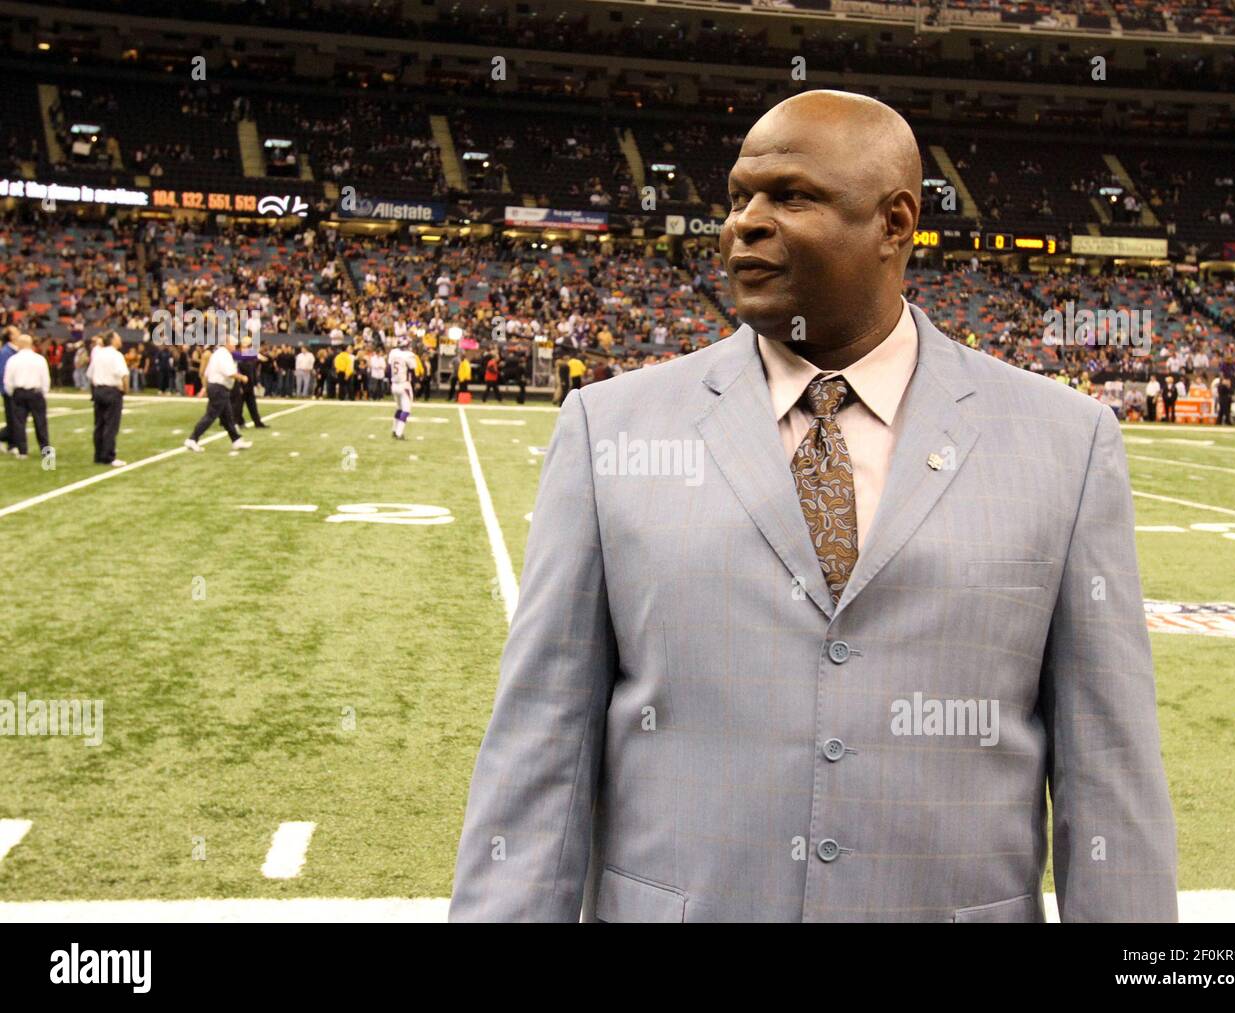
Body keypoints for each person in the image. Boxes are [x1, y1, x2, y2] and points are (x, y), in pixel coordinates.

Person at [449, 90, 1176, 923]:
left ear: (895, 224)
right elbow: (540, 752)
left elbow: (1109, 776)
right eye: (737, 199)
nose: (744, 225)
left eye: (790, 197)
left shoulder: (1064, 442)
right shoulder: (607, 428)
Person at [184, 335, 252, 452]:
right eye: (233, 343)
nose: (235, 346)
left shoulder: (218, 354)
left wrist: (205, 388)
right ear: (226, 343)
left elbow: (207, 373)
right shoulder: (223, 355)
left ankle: (236, 440)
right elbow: (229, 372)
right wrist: (242, 377)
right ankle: (192, 439)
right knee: (211, 415)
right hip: (219, 388)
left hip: (216, 387)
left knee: (228, 417)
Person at [2, 334, 51, 460]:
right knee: (41, 424)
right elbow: (45, 379)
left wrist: (13, 393)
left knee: (19, 424)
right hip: (36, 393)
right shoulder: (39, 359)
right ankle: (45, 451)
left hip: (19, 393)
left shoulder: (13, 360)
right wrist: (43, 393)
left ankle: (23, 451)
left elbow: (8, 380)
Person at [87, 332, 129, 467]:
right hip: (112, 391)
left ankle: (98, 455)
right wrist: (125, 390)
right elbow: (124, 375)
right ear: (112, 340)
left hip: (98, 390)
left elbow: (90, 375)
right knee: (111, 425)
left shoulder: (98, 355)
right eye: (118, 337)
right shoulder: (116, 355)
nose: (120, 339)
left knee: (99, 424)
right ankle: (108, 456)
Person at [231, 335, 268, 428]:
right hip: (241, 385)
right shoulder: (238, 357)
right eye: (248, 346)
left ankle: (258, 422)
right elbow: (236, 372)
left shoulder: (250, 358)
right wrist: (239, 386)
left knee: (253, 406)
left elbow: (253, 372)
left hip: (249, 385)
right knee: (238, 406)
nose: (249, 348)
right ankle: (237, 422)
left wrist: (257, 383)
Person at [387, 336, 420, 440]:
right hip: (403, 384)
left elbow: (388, 369)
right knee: (406, 410)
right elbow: (412, 371)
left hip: (394, 384)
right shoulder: (409, 355)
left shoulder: (393, 353)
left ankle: (394, 430)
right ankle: (399, 433)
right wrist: (416, 382)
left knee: (399, 409)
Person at [0, 327, 16, 451]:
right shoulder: (6, 352)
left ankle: (11, 444)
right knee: (13, 420)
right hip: (9, 390)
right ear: (11, 336)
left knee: (15, 420)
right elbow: (2, 372)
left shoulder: (13, 351)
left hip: (14, 390)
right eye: (16, 332)